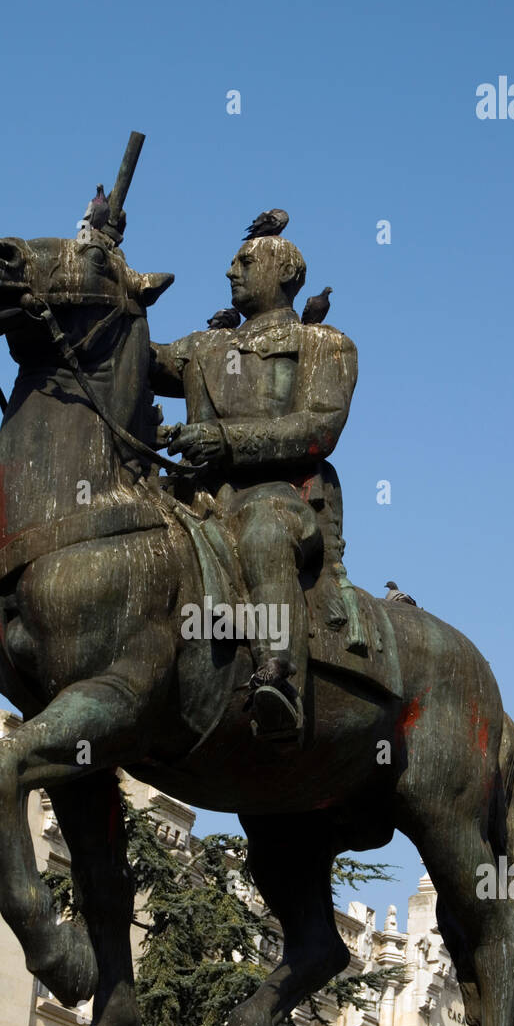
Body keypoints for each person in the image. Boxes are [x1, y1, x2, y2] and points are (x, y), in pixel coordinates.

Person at [150, 233, 358, 738]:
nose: (230, 271)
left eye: (244, 261)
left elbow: (319, 427)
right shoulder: (204, 345)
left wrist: (225, 440)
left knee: (265, 534)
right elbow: (141, 360)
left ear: (285, 274)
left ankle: (278, 675)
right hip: (193, 497)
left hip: (275, 495)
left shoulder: (322, 343)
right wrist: (102, 283)